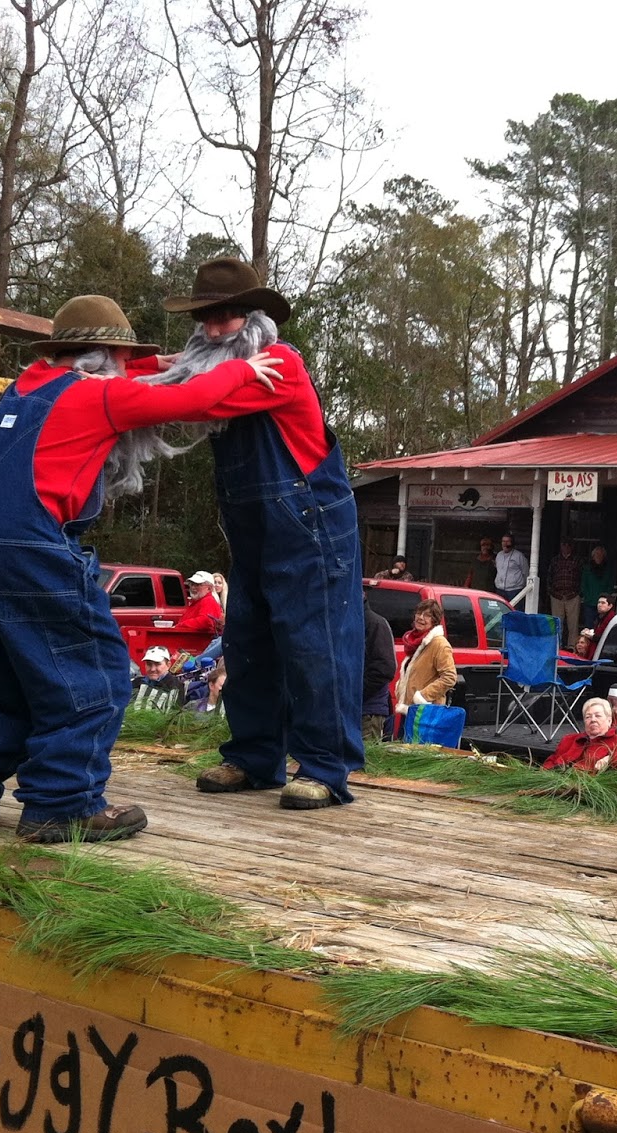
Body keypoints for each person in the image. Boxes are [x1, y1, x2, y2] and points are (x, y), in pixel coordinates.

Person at [0, 293, 283, 843]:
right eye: (124, 355)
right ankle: (63, 805)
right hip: (29, 549)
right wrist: (243, 369)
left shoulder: (27, 386)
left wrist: (151, 362)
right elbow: (191, 398)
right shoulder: (100, 396)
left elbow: (118, 373)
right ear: (109, 354)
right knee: (92, 678)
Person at [153, 258, 366, 813]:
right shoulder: (222, 365)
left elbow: (195, 394)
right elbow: (176, 372)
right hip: (254, 530)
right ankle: (254, 757)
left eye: (224, 317)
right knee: (246, 640)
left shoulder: (278, 365)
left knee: (315, 644)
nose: (213, 329)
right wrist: (124, 364)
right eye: (205, 320)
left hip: (310, 525)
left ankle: (324, 767)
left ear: (252, 318)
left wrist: (169, 372)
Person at [541, 696, 617, 773]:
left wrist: (612, 759)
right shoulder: (569, 740)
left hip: (592, 789)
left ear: (609, 720)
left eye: (598, 716)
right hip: (559, 785)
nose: (593, 720)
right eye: (588, 717)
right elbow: (549, 763)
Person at [394, 598, 456, 721]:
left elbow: (450, 677)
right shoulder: (415, 643)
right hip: (408, 711)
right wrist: (400, 689)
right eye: (419, 613)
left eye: (427, 615)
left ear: (434, 621)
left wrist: (422, 696)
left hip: (426, 713)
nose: (421, 618)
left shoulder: (439, 644)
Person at [362, 597, 397, 741]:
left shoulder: (374, 623)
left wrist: (355, 694)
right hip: (347, 710)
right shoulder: (347, 621)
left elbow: (384, 670)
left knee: (365, 754)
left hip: (368, 710)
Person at [548, 539, 583, 645]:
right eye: (564, 544)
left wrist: (578, 592)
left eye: (568, 545)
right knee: (557, 624)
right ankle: (557, 646)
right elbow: (549, 576)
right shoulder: (555, 560)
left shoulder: (577, 561)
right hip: (557, 596)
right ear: (561, 546)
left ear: (572, 547)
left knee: (573, 625)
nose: (566, 547)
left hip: (573, 596)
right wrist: (550, 591)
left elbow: (582, 577)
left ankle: (572, 647)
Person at [173, 570, 225, 635]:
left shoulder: (208, 600)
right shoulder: (198, 601)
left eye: (197, 585)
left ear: (209, 588)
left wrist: (179, 626)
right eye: (192, 584)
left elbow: (206, 621)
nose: (193, 587)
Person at [580, 545, 615, 628]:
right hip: (590, 602)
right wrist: (587, 596)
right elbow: (583, 585)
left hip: (604, 604)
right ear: (593, 557)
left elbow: (610, 586)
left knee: (603, 626)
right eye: (597, 554)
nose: (598, 557)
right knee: (589, 627)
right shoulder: (587, 569)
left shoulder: (607, 570)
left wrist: (606, 599)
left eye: (601, 555)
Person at [493, 532, 528, 604]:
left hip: (514, 590)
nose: (505, 544)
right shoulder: (499, 555)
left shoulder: (519, 556)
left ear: (512, 543)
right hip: (500, 590)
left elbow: (525, 572)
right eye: (503, 541)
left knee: (514, 609)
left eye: (507, 541)